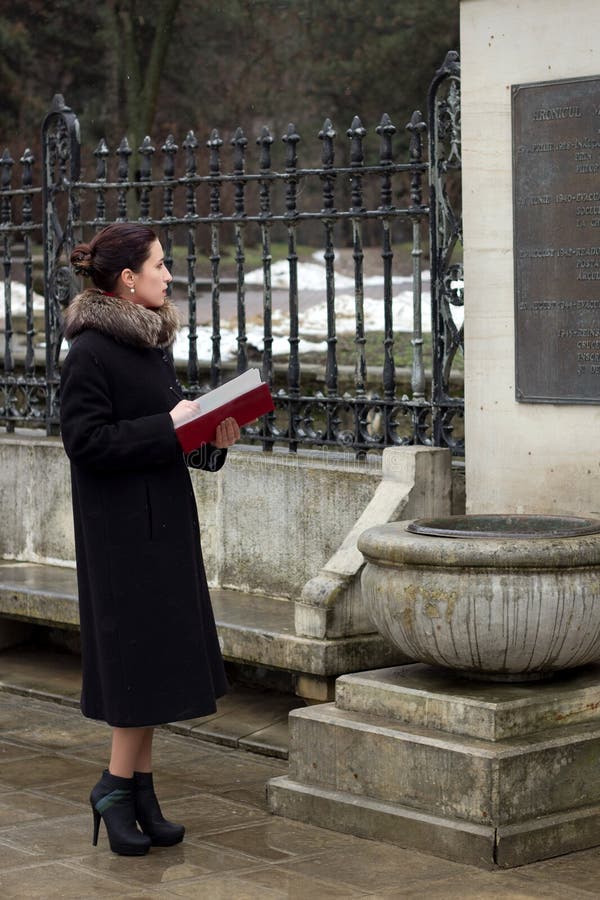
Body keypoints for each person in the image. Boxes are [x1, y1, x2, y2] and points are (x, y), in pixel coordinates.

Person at [60, 222, 240, 856]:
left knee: (157, 661)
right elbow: (86, 444)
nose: (170, 275)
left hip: (164, 524)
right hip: (120, 537)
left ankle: (138, 789)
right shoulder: (88, 351)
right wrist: (166, 427)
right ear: (128, 279)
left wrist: (208, 439)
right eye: (160, 265)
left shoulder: (149, 342)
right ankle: (114, 787)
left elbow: (161, 436)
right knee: (135, 664)